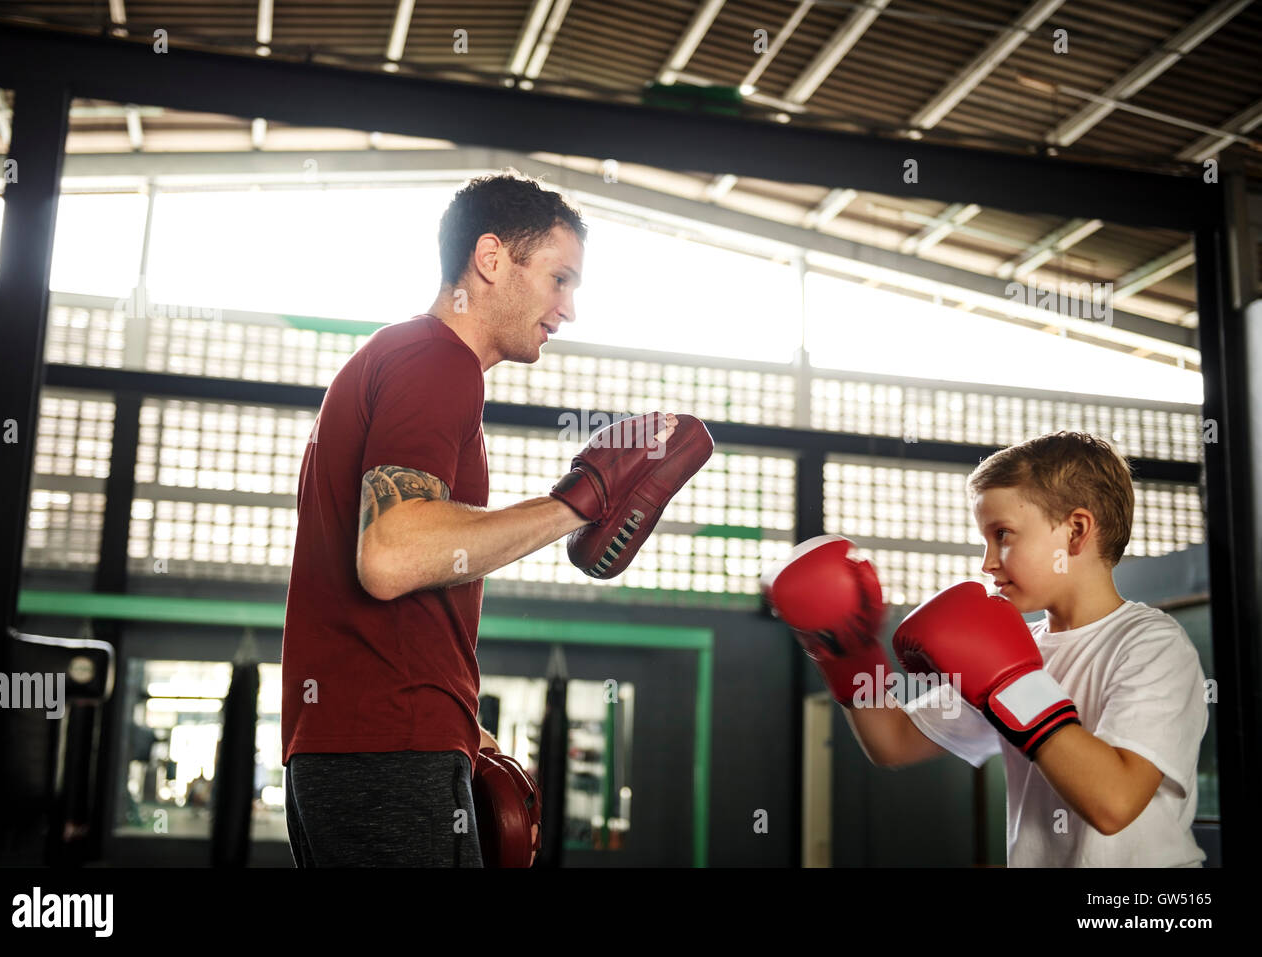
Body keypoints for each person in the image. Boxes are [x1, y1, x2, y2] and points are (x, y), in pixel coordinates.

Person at [279, 170, 693, 867]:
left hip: (361, 746)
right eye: (560, 279)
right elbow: (388, 556)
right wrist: (575, 502)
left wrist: (464, 726)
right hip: (388, 752)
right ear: (492, 259)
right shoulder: (434, 360)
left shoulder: (398, 358)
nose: (568, 309)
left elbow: (393, 591)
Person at [763, 431, 1207, 866]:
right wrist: (848, 653)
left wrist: (1010, 682)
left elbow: (1114, 803)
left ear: (1075, 531)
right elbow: (893, 743)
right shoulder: (1012, 645)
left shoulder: (1150, 645)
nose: (987, 562)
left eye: (1004, 534)